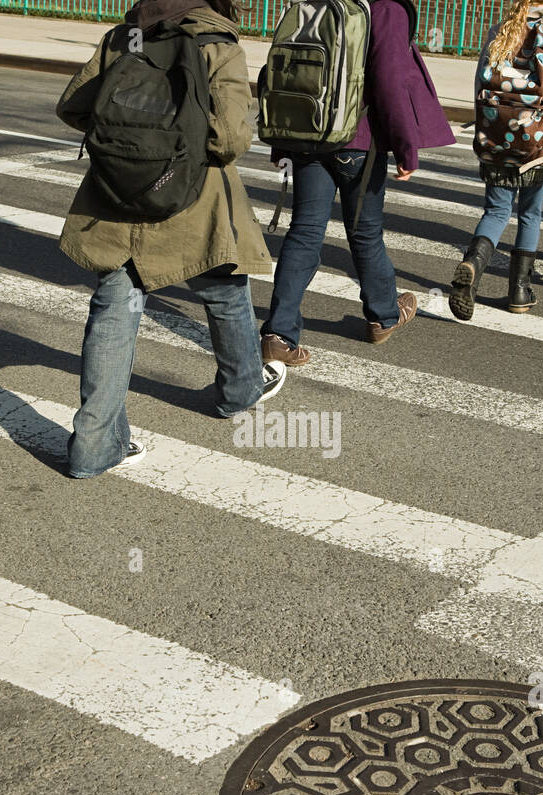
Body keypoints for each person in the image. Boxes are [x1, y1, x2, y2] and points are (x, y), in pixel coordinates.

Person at [56, 0, 285, 478]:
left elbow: (75, 106)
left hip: (117, 200)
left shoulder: (124, 37)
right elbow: (228, 140)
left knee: (114, 310)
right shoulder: (218, 45)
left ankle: (93, 447)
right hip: (190, 199)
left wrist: (132, 150)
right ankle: (239, 391)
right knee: (225, 288)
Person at [259, 0, 455, 365]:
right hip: (358, 140)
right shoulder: (385, 7)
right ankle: (382, 315)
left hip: (308, 133)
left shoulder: (313, 3)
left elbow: (284, 68)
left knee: (303, 232)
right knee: (364, 231)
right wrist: (406, 147)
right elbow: (389, 81)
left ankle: (277, 334)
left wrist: (281, 139)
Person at [449, 1, 543, 321]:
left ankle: (472, 263)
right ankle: (519, 291)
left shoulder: (499, 31)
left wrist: (488, 131)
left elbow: (479, 88)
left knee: (496, 211)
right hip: (539, 147)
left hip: (498, 141)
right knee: (530, 213)